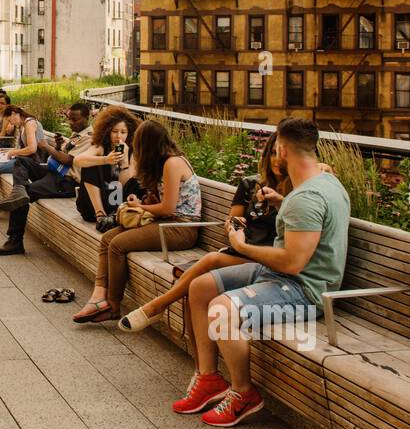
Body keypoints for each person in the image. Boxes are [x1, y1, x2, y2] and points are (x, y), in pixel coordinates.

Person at [179, 116, 350, 428]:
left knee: (221, 309)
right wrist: (281, 200)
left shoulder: (307, 198)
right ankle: (208, 379)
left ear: (282, 150)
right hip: (281, 276)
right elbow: (308, 221)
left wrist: (240, 246)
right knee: (201, 287)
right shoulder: (324, 183)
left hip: (303, 291)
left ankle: (243, 393)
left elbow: (291, 263)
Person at [119, 130, 290, 332]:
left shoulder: (299, 191)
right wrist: (235, 224)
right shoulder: (250, 185)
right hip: (241, 251)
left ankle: (157, 306)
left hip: (266, 259)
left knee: (210, 262)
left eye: (283, 155)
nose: (277, 160)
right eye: (272, 153)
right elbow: (231, 220)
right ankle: (198, 360)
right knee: (188, 278)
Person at [72, 119, 202, 322]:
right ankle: (98, 298)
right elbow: (161, 203)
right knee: (108, 238)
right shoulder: (162, 162)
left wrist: (139, 207)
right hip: (165, 223)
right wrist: (141, 201)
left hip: (182, 227)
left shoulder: (172, 163)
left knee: (117, 245)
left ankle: (113, 306)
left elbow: (168, 208)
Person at [0, 102, 93, 255]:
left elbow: (68, 161)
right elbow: (63, 156)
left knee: (26, 193)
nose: (71, 123)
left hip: (67, 182)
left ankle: (15, 241)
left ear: (87, 118)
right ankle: (18, 189)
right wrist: (59, 147)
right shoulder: (77, 134)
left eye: (75, 120)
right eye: (69, 120)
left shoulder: (90, 137)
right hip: (55, 171)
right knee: (21, 162)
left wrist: (47, 147)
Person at [72, 107, 140, 226]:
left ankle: (109, 216)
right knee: (90, 165)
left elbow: (126, 186)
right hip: (92, 207)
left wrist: (124, 163)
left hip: (116, 203)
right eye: (114, 131)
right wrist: (106, 160)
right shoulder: (101, 147)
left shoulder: (132, 152)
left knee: (134, 181)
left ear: (129, 133)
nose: (119, 136)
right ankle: (100, 215)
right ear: (107, 131)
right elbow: (78, 161)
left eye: (123, 132)